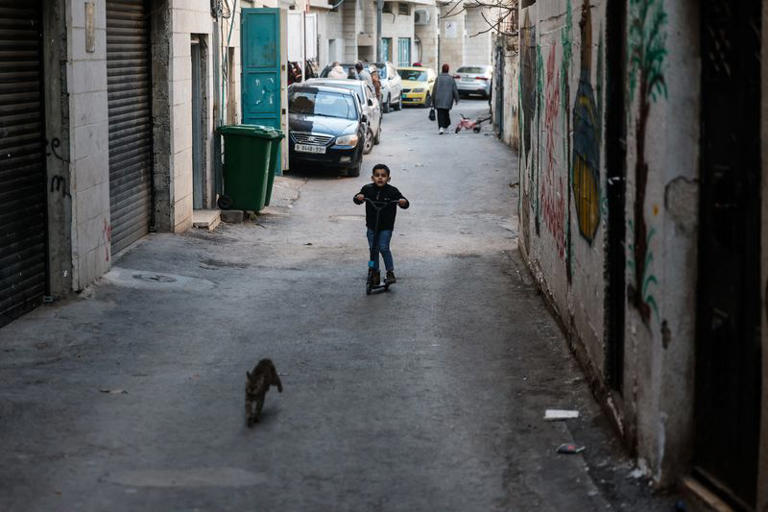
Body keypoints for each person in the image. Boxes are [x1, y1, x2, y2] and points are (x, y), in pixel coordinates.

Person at [353, 164, 410, 285]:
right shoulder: (367, 189)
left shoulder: (393, 191)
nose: (380, 178)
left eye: (383, 176)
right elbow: (357, 199)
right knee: (373, 249)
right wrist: (359, 197)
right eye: (377, 175)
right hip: (372, 226)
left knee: (383, 247)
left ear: (388, 178)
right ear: (372, 178)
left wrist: (402, 202)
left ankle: (390, 272)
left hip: (386, 226)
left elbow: (404, 202)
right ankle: (375, 271)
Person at [432, 63, 460, 134]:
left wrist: (433, 99)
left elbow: (434, 89)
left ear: (442, 69)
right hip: (448, 99)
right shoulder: (451, 79)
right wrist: (457, 99)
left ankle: (441, 127)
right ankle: (445, 125)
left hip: (438, 99)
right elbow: (454, 90)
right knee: (446, 112)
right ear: (448, 70)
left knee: (440, 113)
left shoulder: (438, 78)